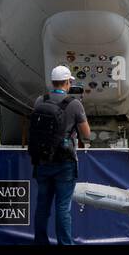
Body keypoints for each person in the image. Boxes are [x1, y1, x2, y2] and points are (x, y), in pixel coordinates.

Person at [29, 65, 91, 245]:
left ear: (52, 82)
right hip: (65, 163)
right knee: (63, 208)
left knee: (42, 207)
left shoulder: (40, 100)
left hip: (41, 160)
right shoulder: (74, 104)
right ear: (67, 83)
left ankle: (40, 242)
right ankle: (65, 243)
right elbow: (86, 135)